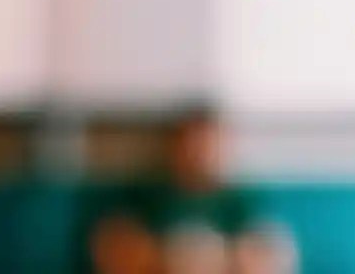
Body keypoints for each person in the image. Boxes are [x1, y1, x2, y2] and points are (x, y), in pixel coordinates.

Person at [86, 108, 296, 274]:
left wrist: (218, 261)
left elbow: (267, 255)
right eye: (192, 142)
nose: (199, 153)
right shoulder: (146, 194)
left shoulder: (240, 199)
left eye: (208, 144)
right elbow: (116, 250)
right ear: (175, 145)